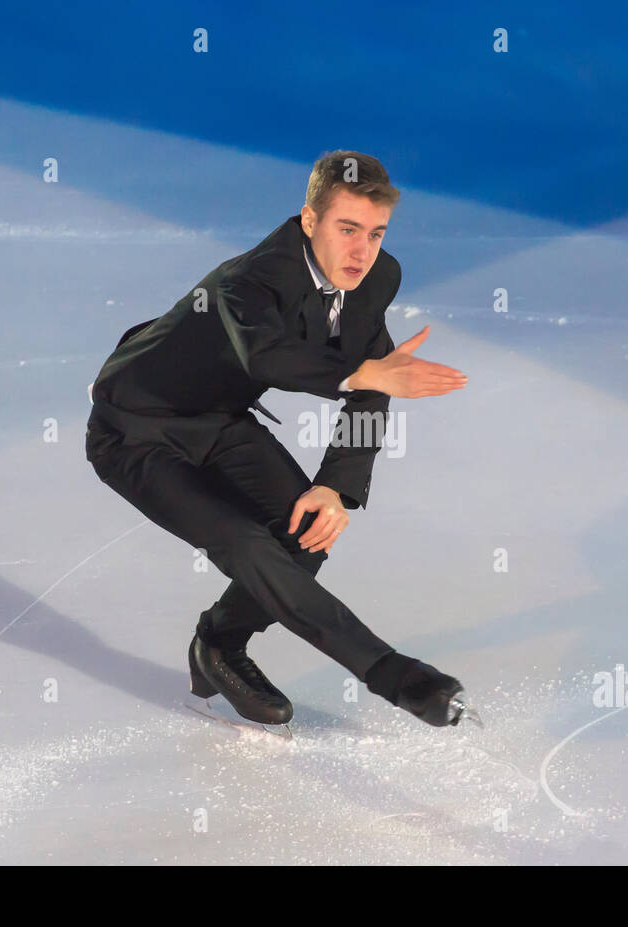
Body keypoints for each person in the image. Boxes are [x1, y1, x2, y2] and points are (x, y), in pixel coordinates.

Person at [85, 150, 471, 727]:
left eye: (375, 232)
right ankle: (394, 675)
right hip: (135, 429)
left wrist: (335, 486)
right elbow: (269, 356)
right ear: (309, 221)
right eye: (347, 229)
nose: (362, 251)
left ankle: (217, 643)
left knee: (306, 532)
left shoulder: (377, 277)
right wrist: (366, 371)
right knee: (247, 543)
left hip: (220, 417)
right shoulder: (251, 279)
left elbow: (372, 388)